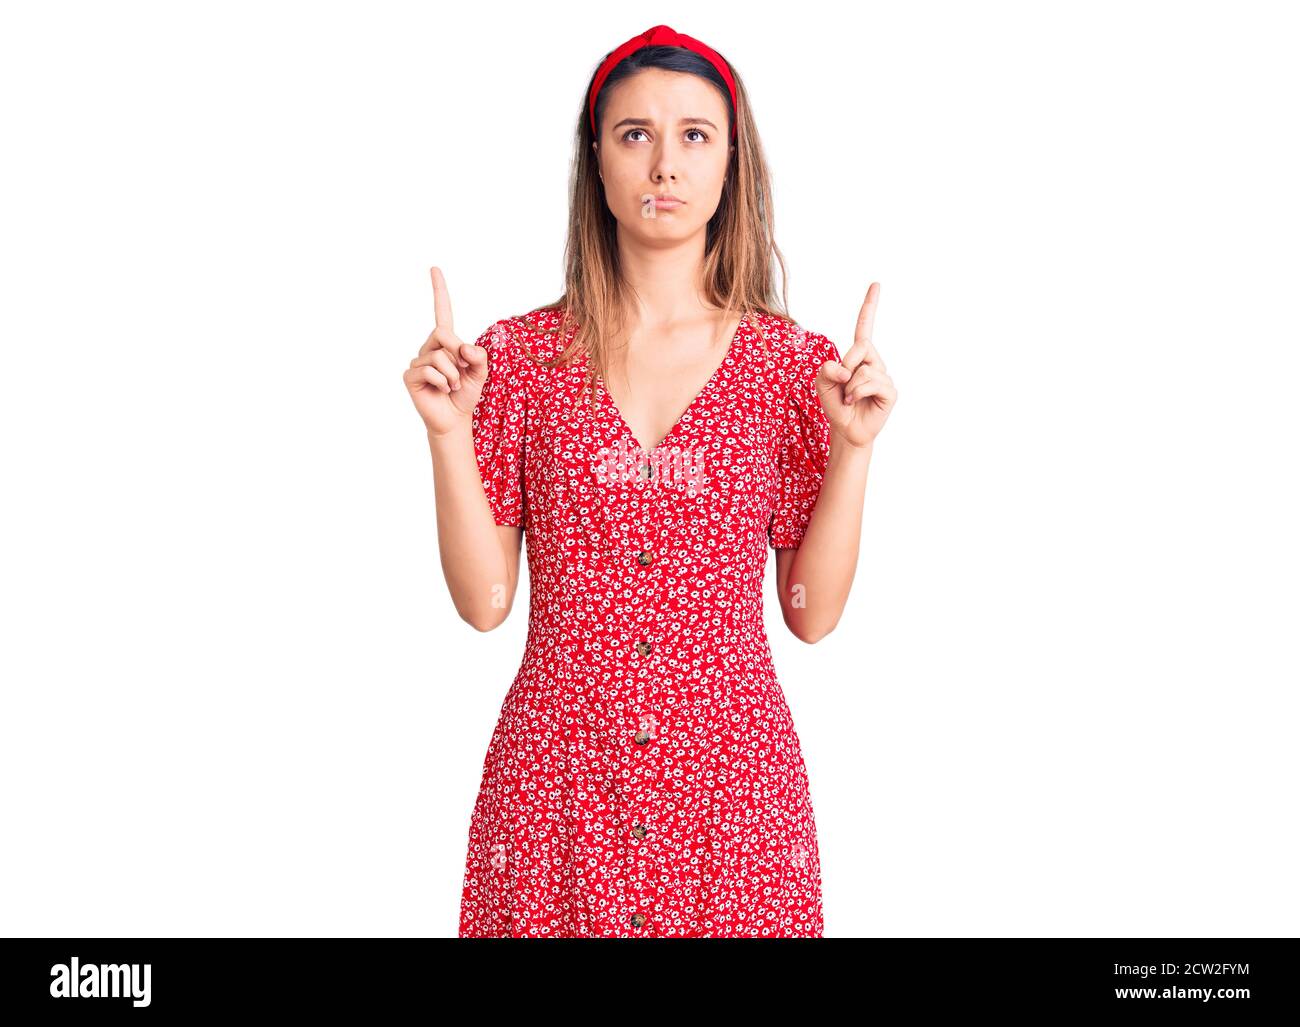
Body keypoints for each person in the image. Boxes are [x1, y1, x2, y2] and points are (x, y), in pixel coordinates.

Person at [403, 24, 897, 938]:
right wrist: (446, 433)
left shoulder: (793, 370)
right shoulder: (516, 359)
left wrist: (854, 447)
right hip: (557, 794)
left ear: (730, 165)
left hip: (732, 804)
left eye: (693, 135)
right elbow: (484, 603)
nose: (663, 163)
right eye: (634, 134)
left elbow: (811, 614)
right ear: (596, 162)